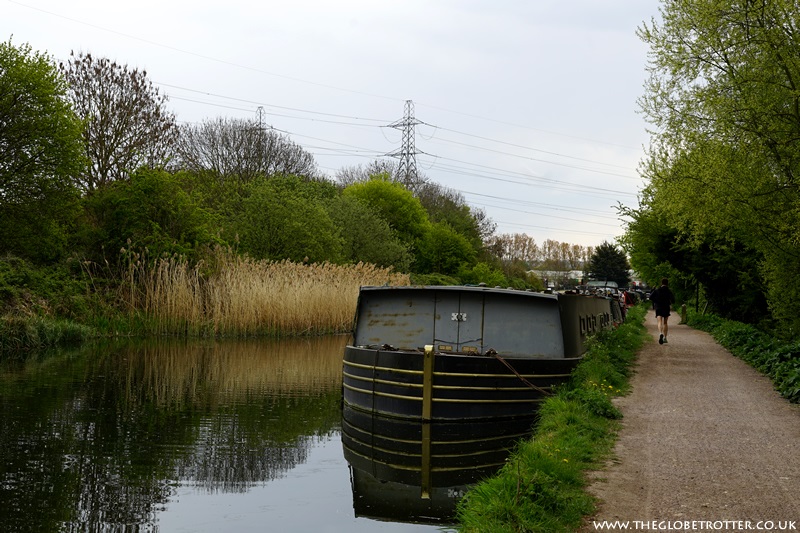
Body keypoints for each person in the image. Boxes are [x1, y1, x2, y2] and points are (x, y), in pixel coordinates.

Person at [650, 278, 675, 344]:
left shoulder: (657, 290)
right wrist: (669, 302)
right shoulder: (669, 291)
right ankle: (665, 338)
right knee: (665, 323)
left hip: (658, 307)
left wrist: (656, 301)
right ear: (667, 283)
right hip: (666, 307)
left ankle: (660, 333)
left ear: (661, 283)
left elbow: (650, 297)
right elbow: (673, 300)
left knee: (659, 321)